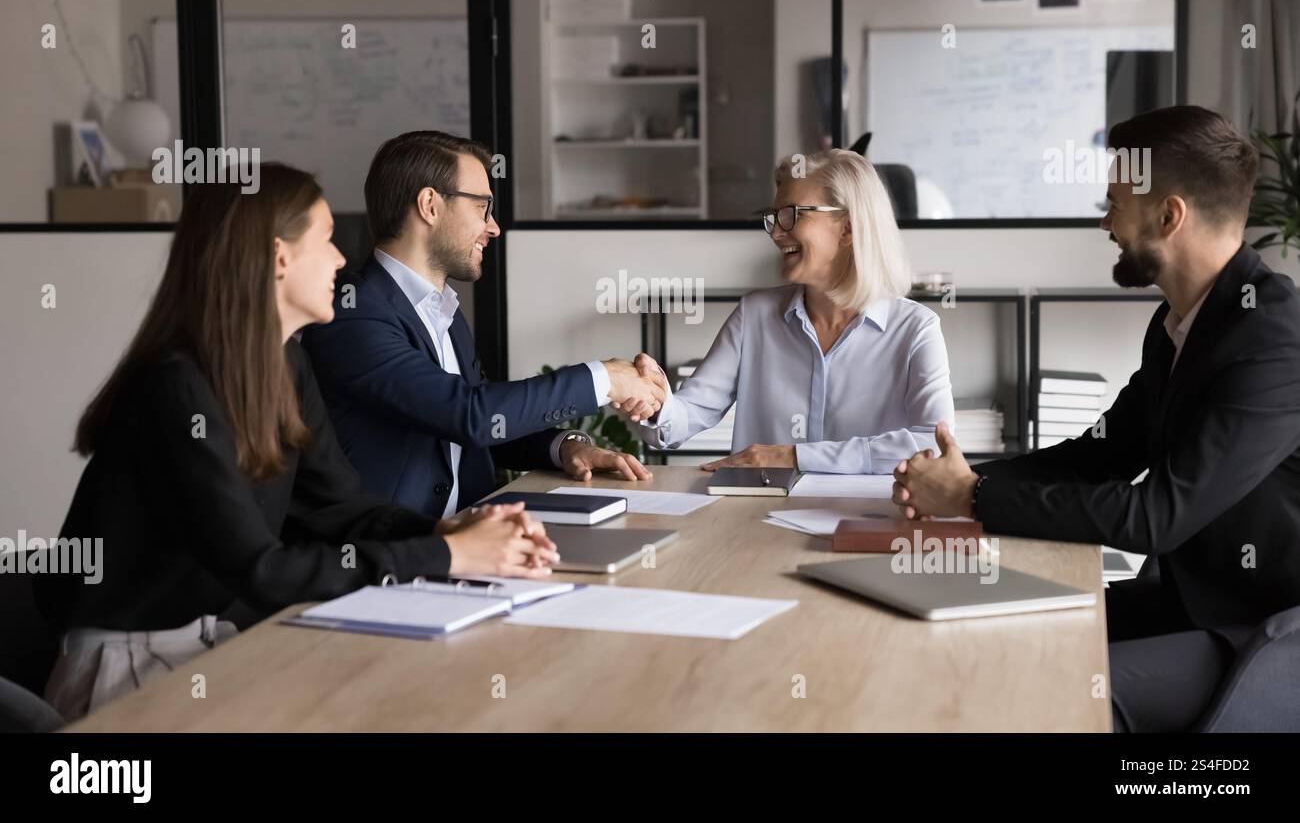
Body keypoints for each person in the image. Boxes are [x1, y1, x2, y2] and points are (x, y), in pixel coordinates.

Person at [36, 164, 557, 721]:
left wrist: (447, 531)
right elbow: (260, 569)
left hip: (207, 647)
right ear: (278, 255)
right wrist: (448, 555)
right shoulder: (175, 387)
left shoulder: (285, 362)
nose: (340, 259)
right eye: (327, 239)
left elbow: (340, 507)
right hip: (127, 678)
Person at [891, 105, 1300, 732]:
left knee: (1050, 690)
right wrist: (962, 478)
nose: (1105, 221)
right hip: (1188, 601)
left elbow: (1157, 517)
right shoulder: (1179, 326)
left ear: (1169, 216)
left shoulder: (1273, 339)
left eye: (1114, 201)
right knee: (989, 634)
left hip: (1262, 631)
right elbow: (1098, 455)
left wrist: (972, 498)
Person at [301, 131, 665, 520]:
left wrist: (566, 446)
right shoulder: (353, 314)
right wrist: (605, 378)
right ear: (429, 205)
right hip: (397, 556)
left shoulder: (443, 309)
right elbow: (466, 414)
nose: (493, 228)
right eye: (482, 208)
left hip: (475, 538)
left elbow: (481, 423)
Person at [625, 149, 954, 474]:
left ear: (848, 228)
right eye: (775, 217)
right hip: (758, 517)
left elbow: (934, 445)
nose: (777, 233)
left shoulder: (916, 329)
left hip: (867, 518)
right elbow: (687, 415)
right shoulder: (754, 315)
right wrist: (654, 402)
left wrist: (793, 457)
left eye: (792, 215)